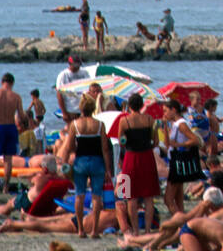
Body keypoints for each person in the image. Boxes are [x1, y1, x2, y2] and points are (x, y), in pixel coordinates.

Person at [60, 96, 112, 238]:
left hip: (81, 162)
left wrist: (64, 164)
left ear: (81, 108)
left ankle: (81, 230)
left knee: (79, 195)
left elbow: (69, 147)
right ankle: (94, 230)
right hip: (97, 162)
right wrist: (108, 169)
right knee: (96, 197)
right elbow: (105, 149)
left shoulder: (75, 124)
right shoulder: (100, 125)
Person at [116, 93, 161, 235]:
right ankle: (147, 230)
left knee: (130, 196)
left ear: (129, 105)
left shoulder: (124, 121)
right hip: (147, 157)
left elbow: (120, 141)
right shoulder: (149, 119)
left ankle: (135, 230)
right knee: (149, 196)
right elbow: (156, 142)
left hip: (131, 158)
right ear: (142, 105)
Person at [0, 72, 27, 195]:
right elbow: (21, 115)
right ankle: (6, 187)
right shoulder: (16, 96)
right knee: (8, 159)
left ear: (2, 82)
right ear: (12, 83)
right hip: (11, 127)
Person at [163, 99, 205, 215]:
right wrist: (165, 127)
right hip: (175, 160)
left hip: (179, 161)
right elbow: (168, 144)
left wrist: (179, 145)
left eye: (166, 111)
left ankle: (181, 224)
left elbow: (195, 140)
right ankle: (182, 222)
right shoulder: (175, 124)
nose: (164, 114)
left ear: (174, 110)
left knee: (168, 199)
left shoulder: (181, 124)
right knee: (178, 199)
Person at [55, 56, 84, 124]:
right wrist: (64, 113)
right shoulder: (63, 75)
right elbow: (59, 94)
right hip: (70, 110)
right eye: (75, 64)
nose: (77, 66)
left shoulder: (84, 72)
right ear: (70, 64)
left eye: (79, 64)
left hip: (83, 110)